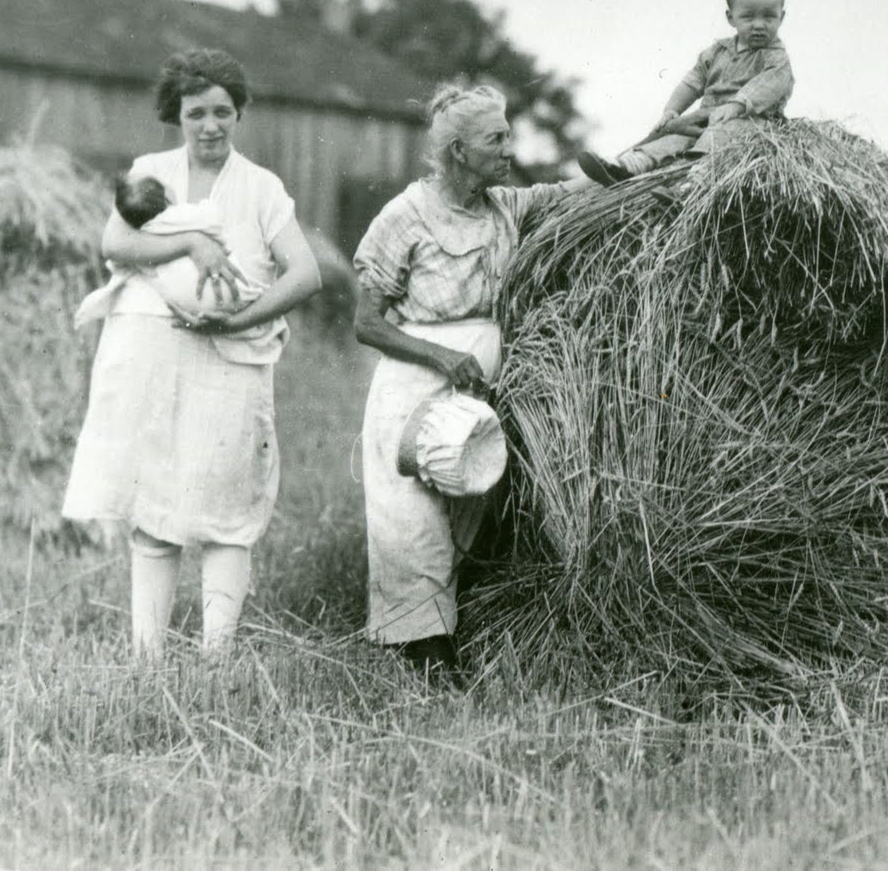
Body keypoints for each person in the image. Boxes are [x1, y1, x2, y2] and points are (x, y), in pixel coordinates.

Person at [62, 48, 322, 656]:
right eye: (196, 113)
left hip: (229, 357)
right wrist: (194, 245)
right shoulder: (151, 170)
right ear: (175, 117)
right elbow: (115, 242)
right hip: (153, 354)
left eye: (223, 112)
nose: (210, 126)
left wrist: (237, 321)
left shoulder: (260, 187)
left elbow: (305, 273)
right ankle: (146, 656)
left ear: (240, 114)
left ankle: (216, 658)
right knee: (153, 504)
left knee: (226, 508)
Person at [353, 83, 589, 679]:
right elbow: (366, 323)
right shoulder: (406, 216)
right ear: (458, 151)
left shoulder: (506, 208)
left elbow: (575, 189)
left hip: (478, 391)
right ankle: (429, 660)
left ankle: (441, 639)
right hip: (415, 384)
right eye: (497, 138)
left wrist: (665, 144)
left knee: (467, 505)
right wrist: (439, 357)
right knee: (413, 518)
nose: (509, 147)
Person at [576, 0, 794, 185]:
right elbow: (692, 82)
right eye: (748, 17)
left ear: (781, 17)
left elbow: (766, 87)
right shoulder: (718, 51)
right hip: (706, 120)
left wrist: (736, 106)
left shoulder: (776, 59)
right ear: (731, 18)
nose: (759, 25)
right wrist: (672, 110)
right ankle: (630, 166)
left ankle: (695, 182)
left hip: (751, 123)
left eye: (769, 17)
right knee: (674, 139)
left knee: (719, 138)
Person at [73, 174, 285, 358]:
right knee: (234, 288)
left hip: (179, 300)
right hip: (194, 294)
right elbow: (212, 218)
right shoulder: (178, 215)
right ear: (166, 198)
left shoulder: (144, 226)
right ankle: (250, 309)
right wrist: (192, 240)